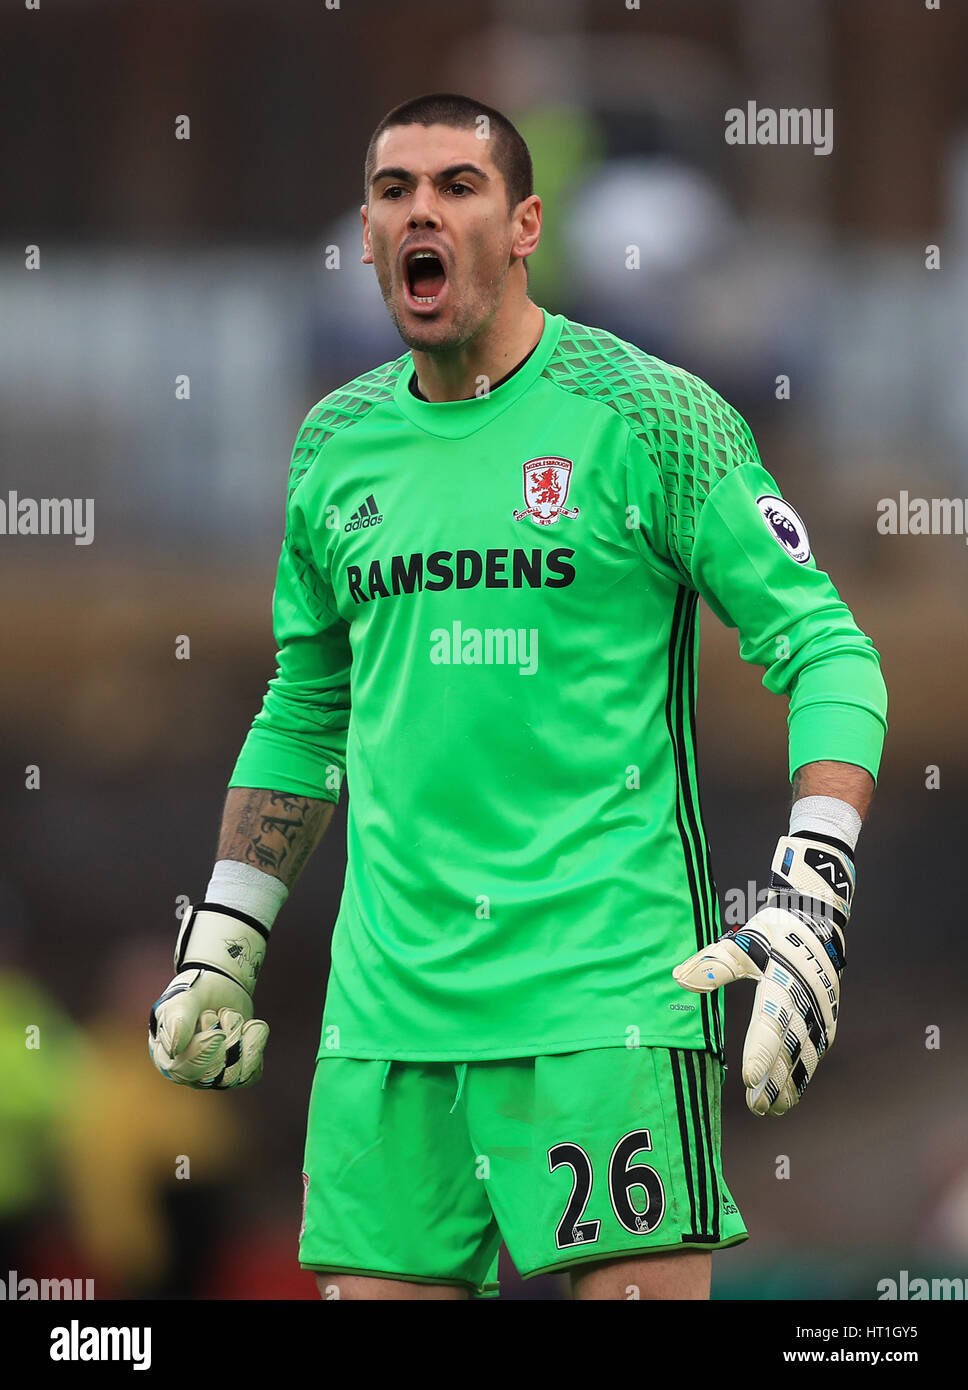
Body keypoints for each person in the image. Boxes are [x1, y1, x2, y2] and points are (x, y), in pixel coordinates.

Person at [148, 93, 887, 1301]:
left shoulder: (650, 416)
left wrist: (813, 891)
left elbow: (827, 650)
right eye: (393, 191)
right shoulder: (333, 442)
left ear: (526, 224)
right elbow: (307, 707)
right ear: (367, 235)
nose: (420, 213)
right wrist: (223, 944)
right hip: (385, 1021)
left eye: (457, 186)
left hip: (606, 1007)